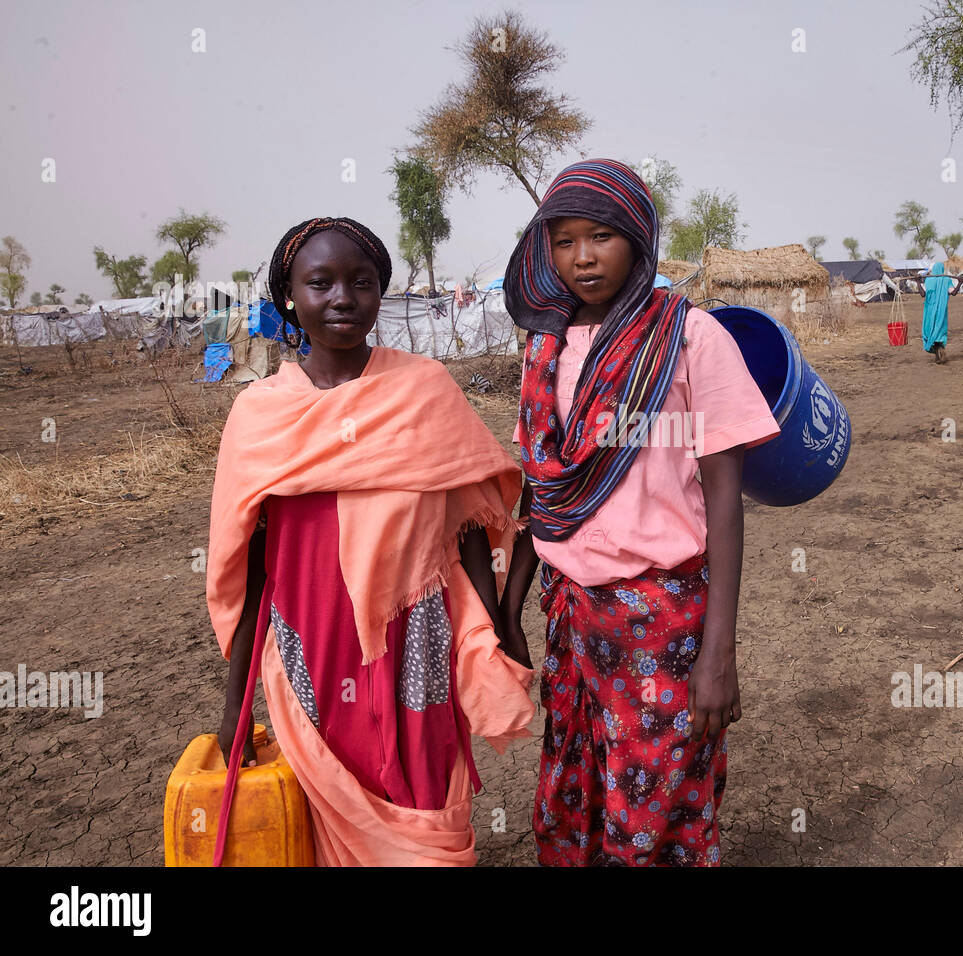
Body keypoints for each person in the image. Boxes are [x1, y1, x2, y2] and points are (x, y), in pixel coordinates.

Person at [207, 217, 534, 866]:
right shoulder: (260, 415)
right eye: (320, 282)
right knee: (330, 824)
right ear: (290, 296)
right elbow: (247, 569)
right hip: (312, 653)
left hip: (419, 646)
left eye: (361, 282)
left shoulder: (423, 391)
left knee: (428, 823)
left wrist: (496, 628)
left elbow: (467, 518)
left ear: (381, 291)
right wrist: (233, 706)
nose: (342, 298)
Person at [497, 159, 780, 866]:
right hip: (569, 615)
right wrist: (510, 605)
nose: (583, 258)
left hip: (662, 622)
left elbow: (724, 497)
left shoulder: (690, 339)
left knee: (654, 807)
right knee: (576, 788)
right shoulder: (545, 345)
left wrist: (720, 652)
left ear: (639, 237)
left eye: (601, 236)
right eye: (563, 241)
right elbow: (543, 484)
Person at [921, 261, 961, 364]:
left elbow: (922, 294)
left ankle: (938, 354)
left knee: (930, 329)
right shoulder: (946, 280)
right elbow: (954, 292)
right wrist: (960, 283)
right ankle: (939, 353)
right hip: (941, 311)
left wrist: (917, 282)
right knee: (939, 329)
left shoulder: (928, 280)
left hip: (929, 310)